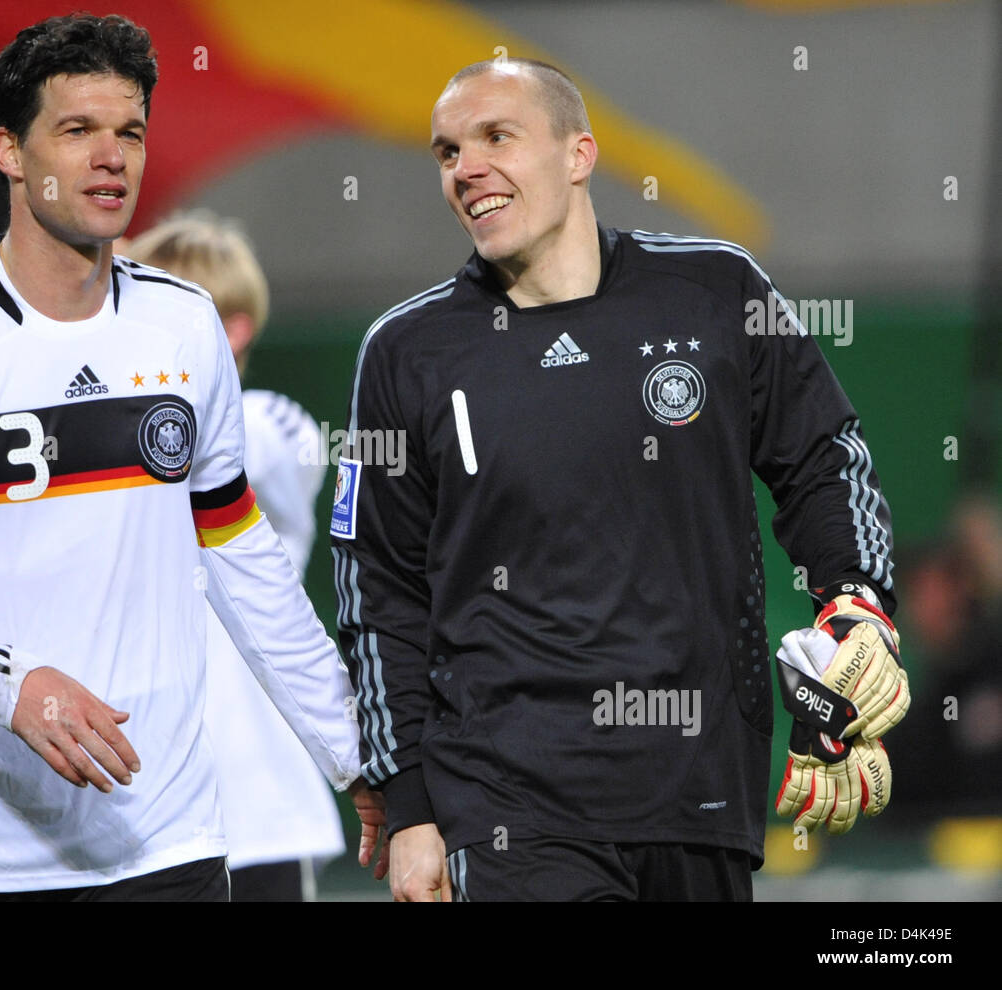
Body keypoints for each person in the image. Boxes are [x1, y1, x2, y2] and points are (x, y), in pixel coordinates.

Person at [0, 12, 383, 901]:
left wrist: (353, 755)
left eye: (130, 132)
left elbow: (240, 555)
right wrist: (12, 683)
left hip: (165, 854)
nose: (113, 157)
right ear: (9, 153)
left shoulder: (183, 327)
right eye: (77, 130)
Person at [331, 57, 908, 901]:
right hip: (509, 809)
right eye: (447, 151)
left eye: (498, 137)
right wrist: (410, 803)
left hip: (701, 795)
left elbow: (824, 457)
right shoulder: (405, 351)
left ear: (579, 153)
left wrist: (855, 601)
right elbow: (377, 594)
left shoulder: (715, 290)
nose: (466, 168)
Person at [119, 212, 346, 900]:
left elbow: (197, 443)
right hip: (142, 809)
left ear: (234, 329)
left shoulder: (272, 422)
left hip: (256, 815)